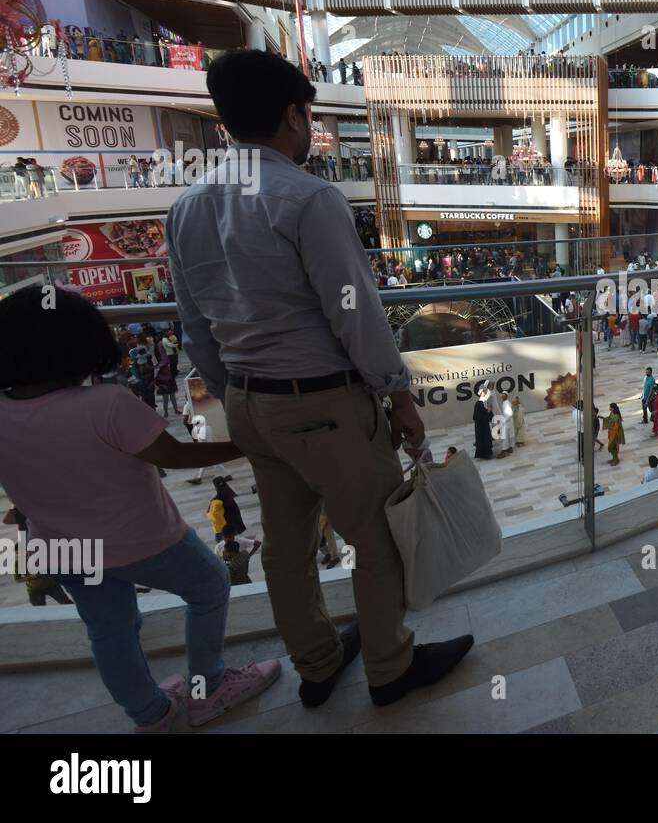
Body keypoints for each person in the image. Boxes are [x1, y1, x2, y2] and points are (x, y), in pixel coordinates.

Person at [167, 49, 472, 709]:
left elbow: (193, 326)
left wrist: (235, 393)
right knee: (377, 537)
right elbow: (356, 312)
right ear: (291, 116)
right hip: (324, 406)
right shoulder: (307, 198)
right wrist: (397, 395)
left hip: (249, 403)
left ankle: (318, 663)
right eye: (309, 115)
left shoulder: (187, 206)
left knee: (286, 547)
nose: (311, 129)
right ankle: (390, 666)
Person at [0, 286, 281, 732]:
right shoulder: (107, 404)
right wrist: (246, 445)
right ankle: (208, 688)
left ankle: (151, 713)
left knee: (108, 631)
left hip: (61, 550)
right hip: (144, 541)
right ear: (82, 343)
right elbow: (174, 455)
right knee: (210, 587)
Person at [473, 386, 494, 459]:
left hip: (480, 427)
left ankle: (484, 454)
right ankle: (486, 454)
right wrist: (489, 412)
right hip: (483, 427)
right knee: (485, 440)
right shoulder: (479, 404)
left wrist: (488, 412)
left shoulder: (478, 404)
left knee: (482, 440)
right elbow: (483, 417)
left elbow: (475, 417)